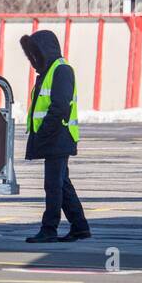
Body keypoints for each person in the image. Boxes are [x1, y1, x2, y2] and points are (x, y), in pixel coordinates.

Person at [20, 29, 91, 243]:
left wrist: (43, 133)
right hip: (54, 136)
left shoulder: (61, 70)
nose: (34, 58)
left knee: (53, 185)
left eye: (37, 52)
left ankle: (49, 229)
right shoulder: (50, 71)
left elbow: (60, 106)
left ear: (47, 50)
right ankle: (80, 227)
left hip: (58, 136)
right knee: (62, 183)